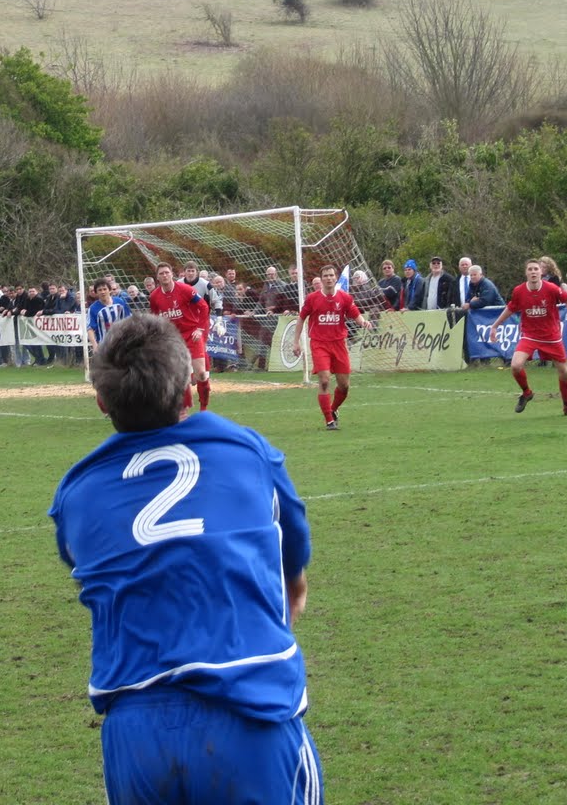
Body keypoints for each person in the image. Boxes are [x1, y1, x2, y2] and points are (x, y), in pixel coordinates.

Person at [48, 313, 321, 804]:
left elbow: (86, 570)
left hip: (135, 726)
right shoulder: (244, 450)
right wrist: (293, 583)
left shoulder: (77, 490)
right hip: (249, 709)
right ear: (188, 390)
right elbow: (292, 546)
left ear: (101, 400)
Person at [487, 260, 567, 416]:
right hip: (529, 336)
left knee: (564, 373)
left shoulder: (551, 289)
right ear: (526, 273)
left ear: (541, 272)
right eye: (530, 269)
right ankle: (527, 393)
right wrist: (495, 326)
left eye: (536, 269)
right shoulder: (519, 291)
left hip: (551, 337)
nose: (533, 272)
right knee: (515, 366)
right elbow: (511, 308)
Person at [292, 263, 374, 429]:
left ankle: (333, 409)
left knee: (344, 386)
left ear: (336, 278)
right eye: (325, 276)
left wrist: (364, 322)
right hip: (319, 344)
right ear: (321, 279)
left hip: (339, 344)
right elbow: (301, 318)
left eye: (331, 275)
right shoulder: (312, 298)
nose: (328, 278)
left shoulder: (344, 297)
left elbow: (355, 314)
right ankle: (329, 421)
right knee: (324, 380)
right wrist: (296, 342)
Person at [148, 262, 212, 411]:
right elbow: (155, 318)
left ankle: (204, 409)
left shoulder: (185, 290)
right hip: (173, 339)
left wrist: (200, 329)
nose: (164, 275)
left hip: (192, 335)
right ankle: (183, 410)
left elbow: (203, 307)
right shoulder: (154, 297)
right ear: (157, 277)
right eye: (161, 273)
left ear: (172, 274)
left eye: (167, 272)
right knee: (179, 377)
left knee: (201, 374)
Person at [87, 279, 132, 352]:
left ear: (110, 290)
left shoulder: (119, 302)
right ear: (96, 293)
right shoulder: (93, 308)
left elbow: (129, 320)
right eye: (100, 290)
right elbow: (90, 329)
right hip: (104, 345)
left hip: (122, 343)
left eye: (105, 289)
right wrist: (95, 345)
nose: (103, 292)